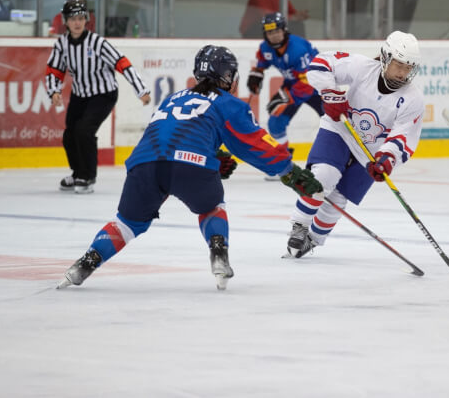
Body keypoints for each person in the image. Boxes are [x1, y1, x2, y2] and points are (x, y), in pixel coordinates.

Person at [56, 45, 324, 291]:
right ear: (227, 75)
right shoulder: (228, 103)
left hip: (143, 164)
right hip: (191, 166)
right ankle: (219, 255)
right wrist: (289, 172)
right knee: (212, 208)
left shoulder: (173, 98)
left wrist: (213, 155)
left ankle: (86, 262)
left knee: (125, 224)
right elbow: (253, 143)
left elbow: (166, 134)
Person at [284, 30, 425, 258]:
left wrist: (387, 159)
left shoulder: (413, 99)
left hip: (371, 152)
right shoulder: (362, 67)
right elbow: (320, 64)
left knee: (339, 198)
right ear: (386, 57)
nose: (403, 73)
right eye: (399, 65)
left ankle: (314, 239)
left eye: (408, 67)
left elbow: (404, 137)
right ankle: (299, 225)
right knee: (324, 176)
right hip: (340, 129)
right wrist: (330, 94)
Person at [45, 0, 151, 194]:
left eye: (80, 18)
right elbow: (54, 70)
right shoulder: (61, 45)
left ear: (86, 20)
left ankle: (88, 176)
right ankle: (77, 173)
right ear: (65, 21)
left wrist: (141, 90)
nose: (77, 23)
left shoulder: (97, 43)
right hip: (80, 94)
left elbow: (122, 63)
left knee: (84, 130)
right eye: (73, 19)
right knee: (70, 135)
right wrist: (54, 91)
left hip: (104, 94)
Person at [246, 12, 323, 159]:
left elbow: (307, 84)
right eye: (269, 32)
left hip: (319, 85)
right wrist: (257, 73)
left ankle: (348, 156)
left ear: (284, 30)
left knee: (335, 123)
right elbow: (263, 59)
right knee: (276, 122)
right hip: (294, 84)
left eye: (276, 31)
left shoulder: (298, 49)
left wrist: (286, 97)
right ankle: (282, 159)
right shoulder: (265, 48)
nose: (273, 35)